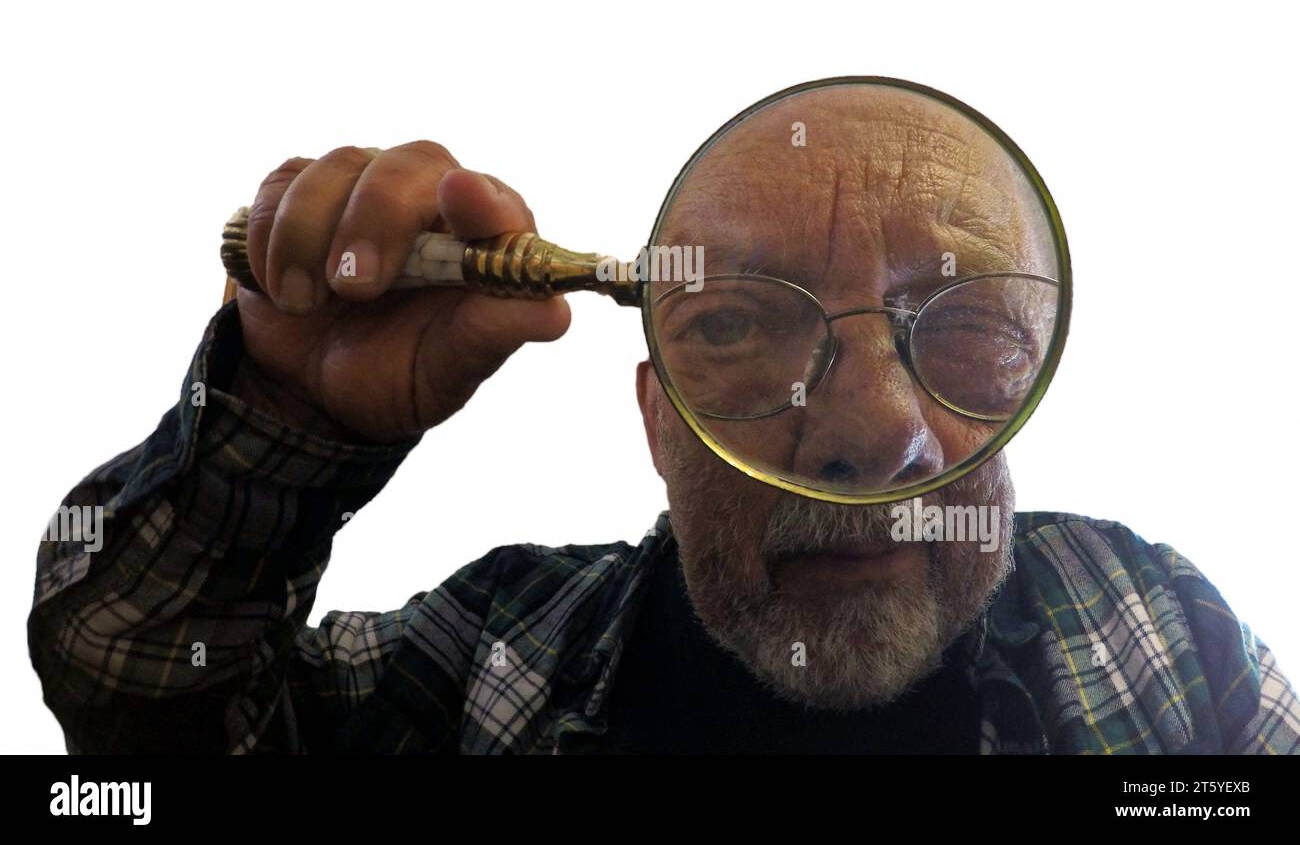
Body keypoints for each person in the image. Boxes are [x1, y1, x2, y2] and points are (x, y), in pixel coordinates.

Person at [29, 82, 1300, 754]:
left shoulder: (1155, 627)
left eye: (965, 320)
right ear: (657, 421)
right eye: (740, 325)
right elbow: (143, 697)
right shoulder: (485, 657)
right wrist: (285, 418)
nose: (872, 431)